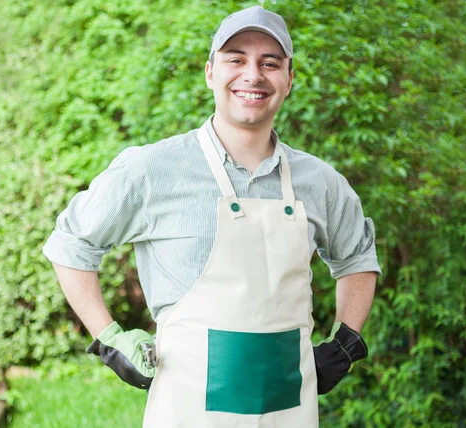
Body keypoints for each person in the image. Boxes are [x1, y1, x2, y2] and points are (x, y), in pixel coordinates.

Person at [43, 5, 380, 427]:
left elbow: (357, 259)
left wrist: (345, 341)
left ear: (289, 80)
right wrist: (109, 338)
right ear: (209, 73)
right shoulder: (151, 170)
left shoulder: (321, 182)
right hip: (186, 411)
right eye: (236, 59)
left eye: (270, 63)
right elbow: (71, 243)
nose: (253, 75)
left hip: (288, 412)